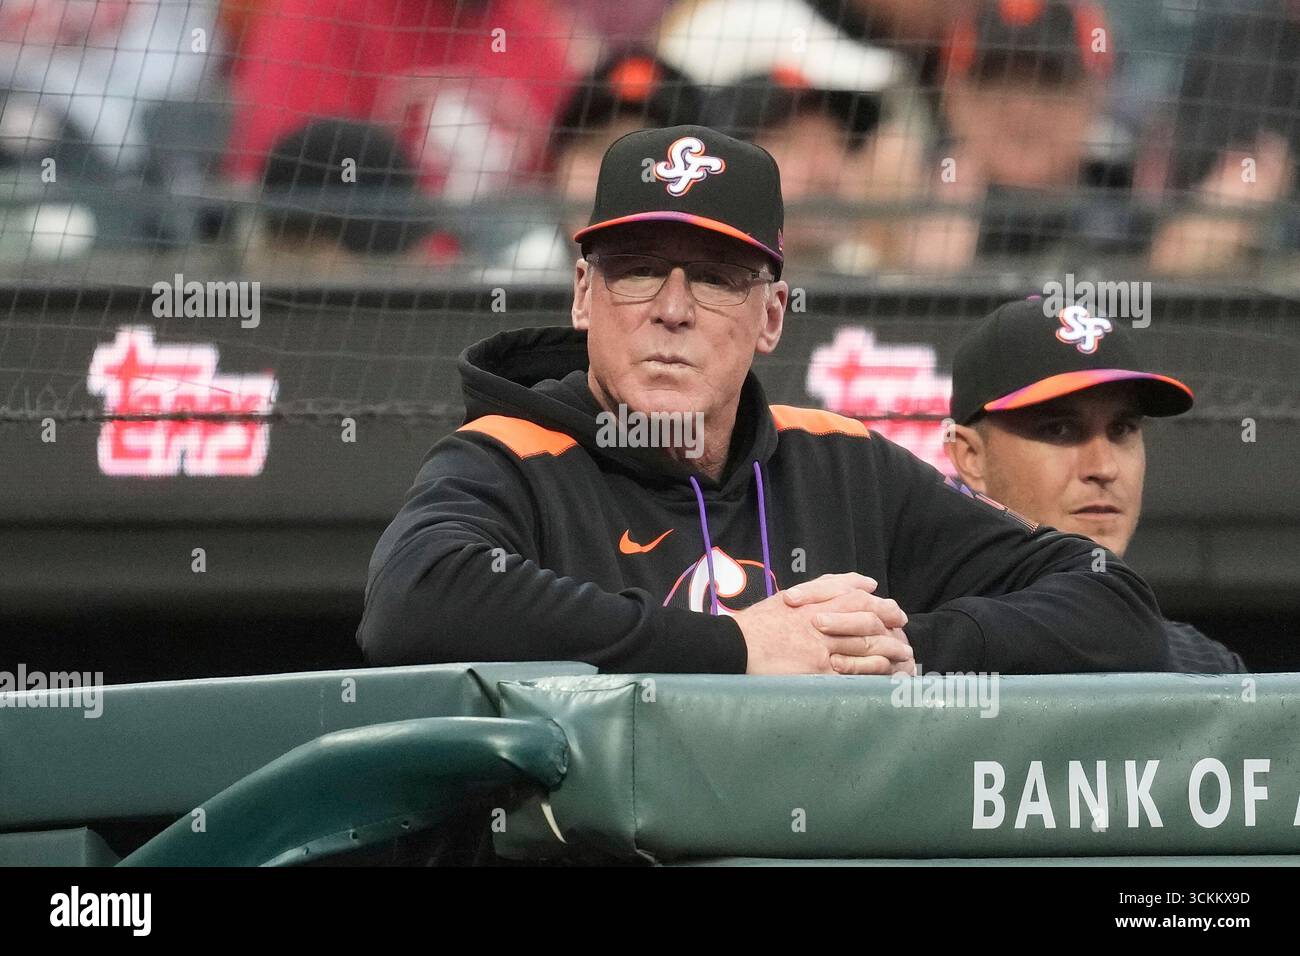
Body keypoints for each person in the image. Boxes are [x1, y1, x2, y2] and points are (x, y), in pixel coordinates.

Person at [358, 124, 1170, 676]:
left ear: (772, 316)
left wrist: (898, 645)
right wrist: (738, 647)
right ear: (583, 296)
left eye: (713, 280)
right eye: (638, 268)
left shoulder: (839, 461)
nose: (670, 308)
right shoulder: (511, 455)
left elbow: (1114, 605)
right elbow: (414, 603)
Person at [944, 298, 1248, 672]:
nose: (1103, 468)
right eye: (1058, 429)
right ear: (971, 457)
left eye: (1122, 429)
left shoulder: (1208, 668)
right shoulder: (907, 650)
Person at [904, 0, 1146, 272]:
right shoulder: (896, 196)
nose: (1022, 108)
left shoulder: (1132, 201)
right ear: (953, 96)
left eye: (1049, 82)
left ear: (1094, 95)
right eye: (996, 80)